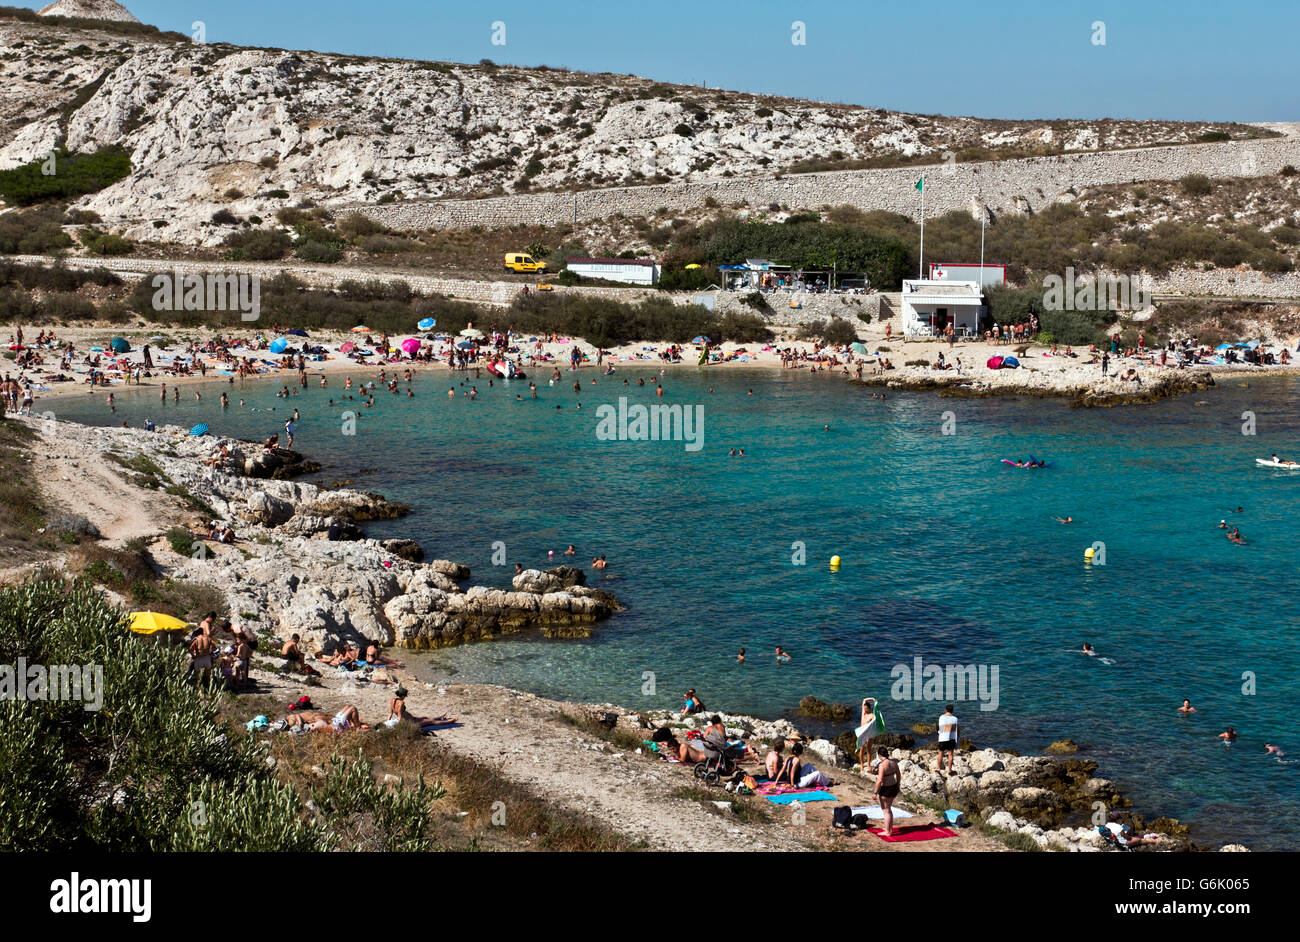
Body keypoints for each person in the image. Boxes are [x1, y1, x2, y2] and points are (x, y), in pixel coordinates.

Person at [384, 686, 457, 728]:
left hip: (411, 719)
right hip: (410, 722)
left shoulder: (392, 700)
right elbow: (399, 716)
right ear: (403, 696)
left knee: (425, 717)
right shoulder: (401, 703)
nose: (405, 697)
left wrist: (387, 722)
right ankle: (451, 721)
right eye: (405, 696)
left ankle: (440, 717)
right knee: (432, 722)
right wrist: (400, 727)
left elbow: (390, 714)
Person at [874, 746, 901, 837]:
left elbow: (880, 780)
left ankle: (888, 831)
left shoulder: (882, 765)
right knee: (888, 809)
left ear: (879, 755)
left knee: (886, 810)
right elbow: (898, 774)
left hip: (886, 789)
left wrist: (875, 792)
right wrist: (898, 785)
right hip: (893, 787)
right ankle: (888, 829)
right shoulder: (893, 763)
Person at [856, 696, 883, 772]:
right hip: (862, 733)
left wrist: (875, 703)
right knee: (861, 750)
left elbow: (875, 719)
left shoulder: (872, 715)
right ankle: (861, 764)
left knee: (868, 750)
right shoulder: (863, 713)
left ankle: (868, 765)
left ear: (869, 708)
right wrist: (872, 699)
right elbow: (864, 700)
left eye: (865, 708)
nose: (864, 709)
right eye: (863, 708)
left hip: (869, 734)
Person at [935, 704, 959, 774]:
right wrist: (957, 741)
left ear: (946, 710)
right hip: (951, 739)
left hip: (942, 738)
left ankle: (938, 769)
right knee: (950, 755)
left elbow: (940, 729)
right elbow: (957, 730)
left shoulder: (941, 717)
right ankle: (949, 770)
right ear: (952, 710)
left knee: (940, 754)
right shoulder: (955, 719)